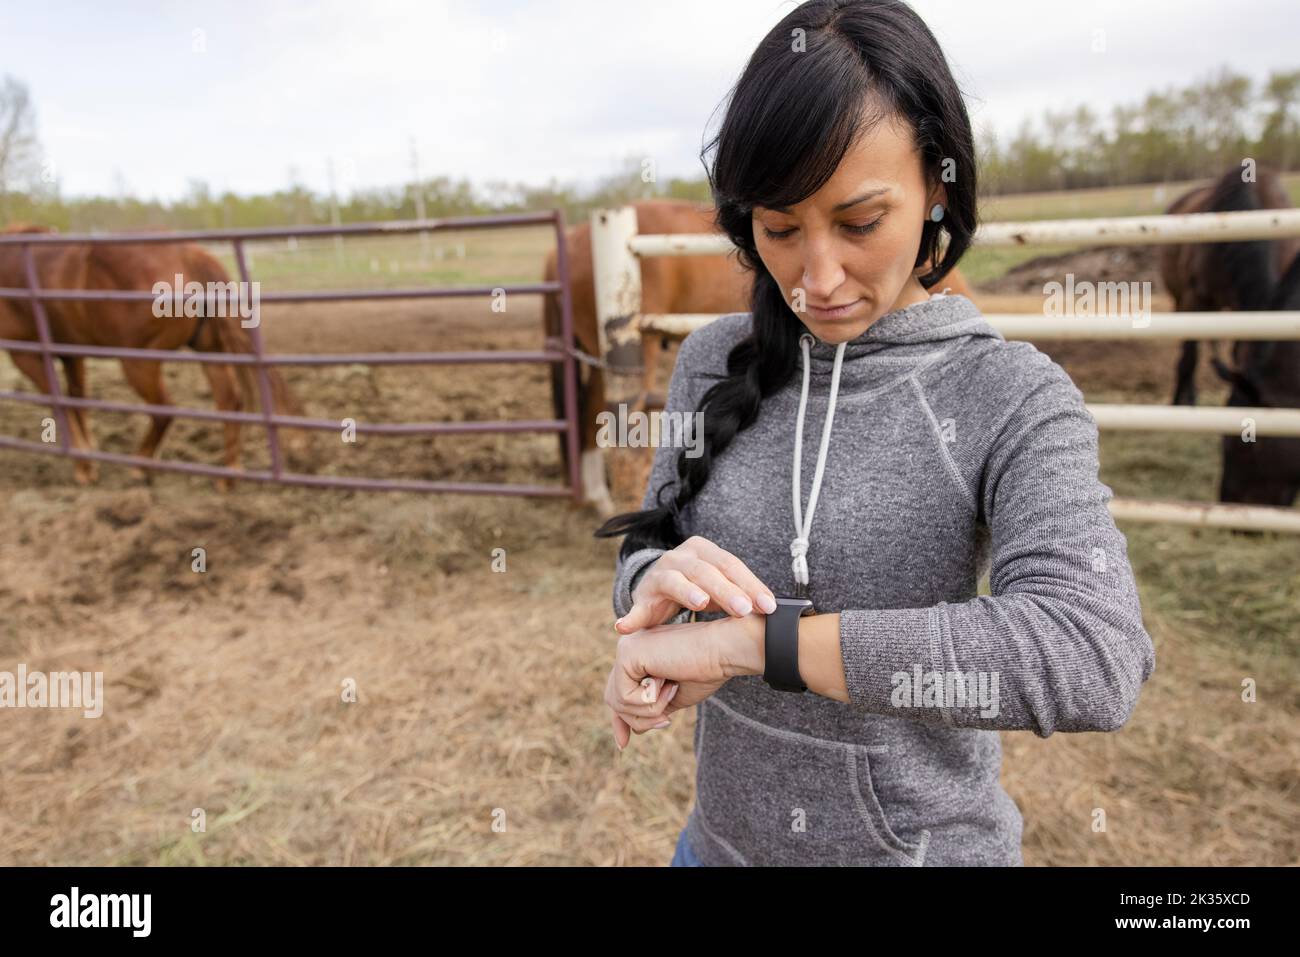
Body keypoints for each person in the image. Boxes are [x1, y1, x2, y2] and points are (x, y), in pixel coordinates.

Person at [594, 0, 1155, 867]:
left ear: (938, 183)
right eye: (779, 229)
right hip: (717, 849)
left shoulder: (1011, 395)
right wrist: (650, 596)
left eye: (859, 223)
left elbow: (1092, 652)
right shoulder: (711, 361)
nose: (816, 279)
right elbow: (649, 544)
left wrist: (758, 643)